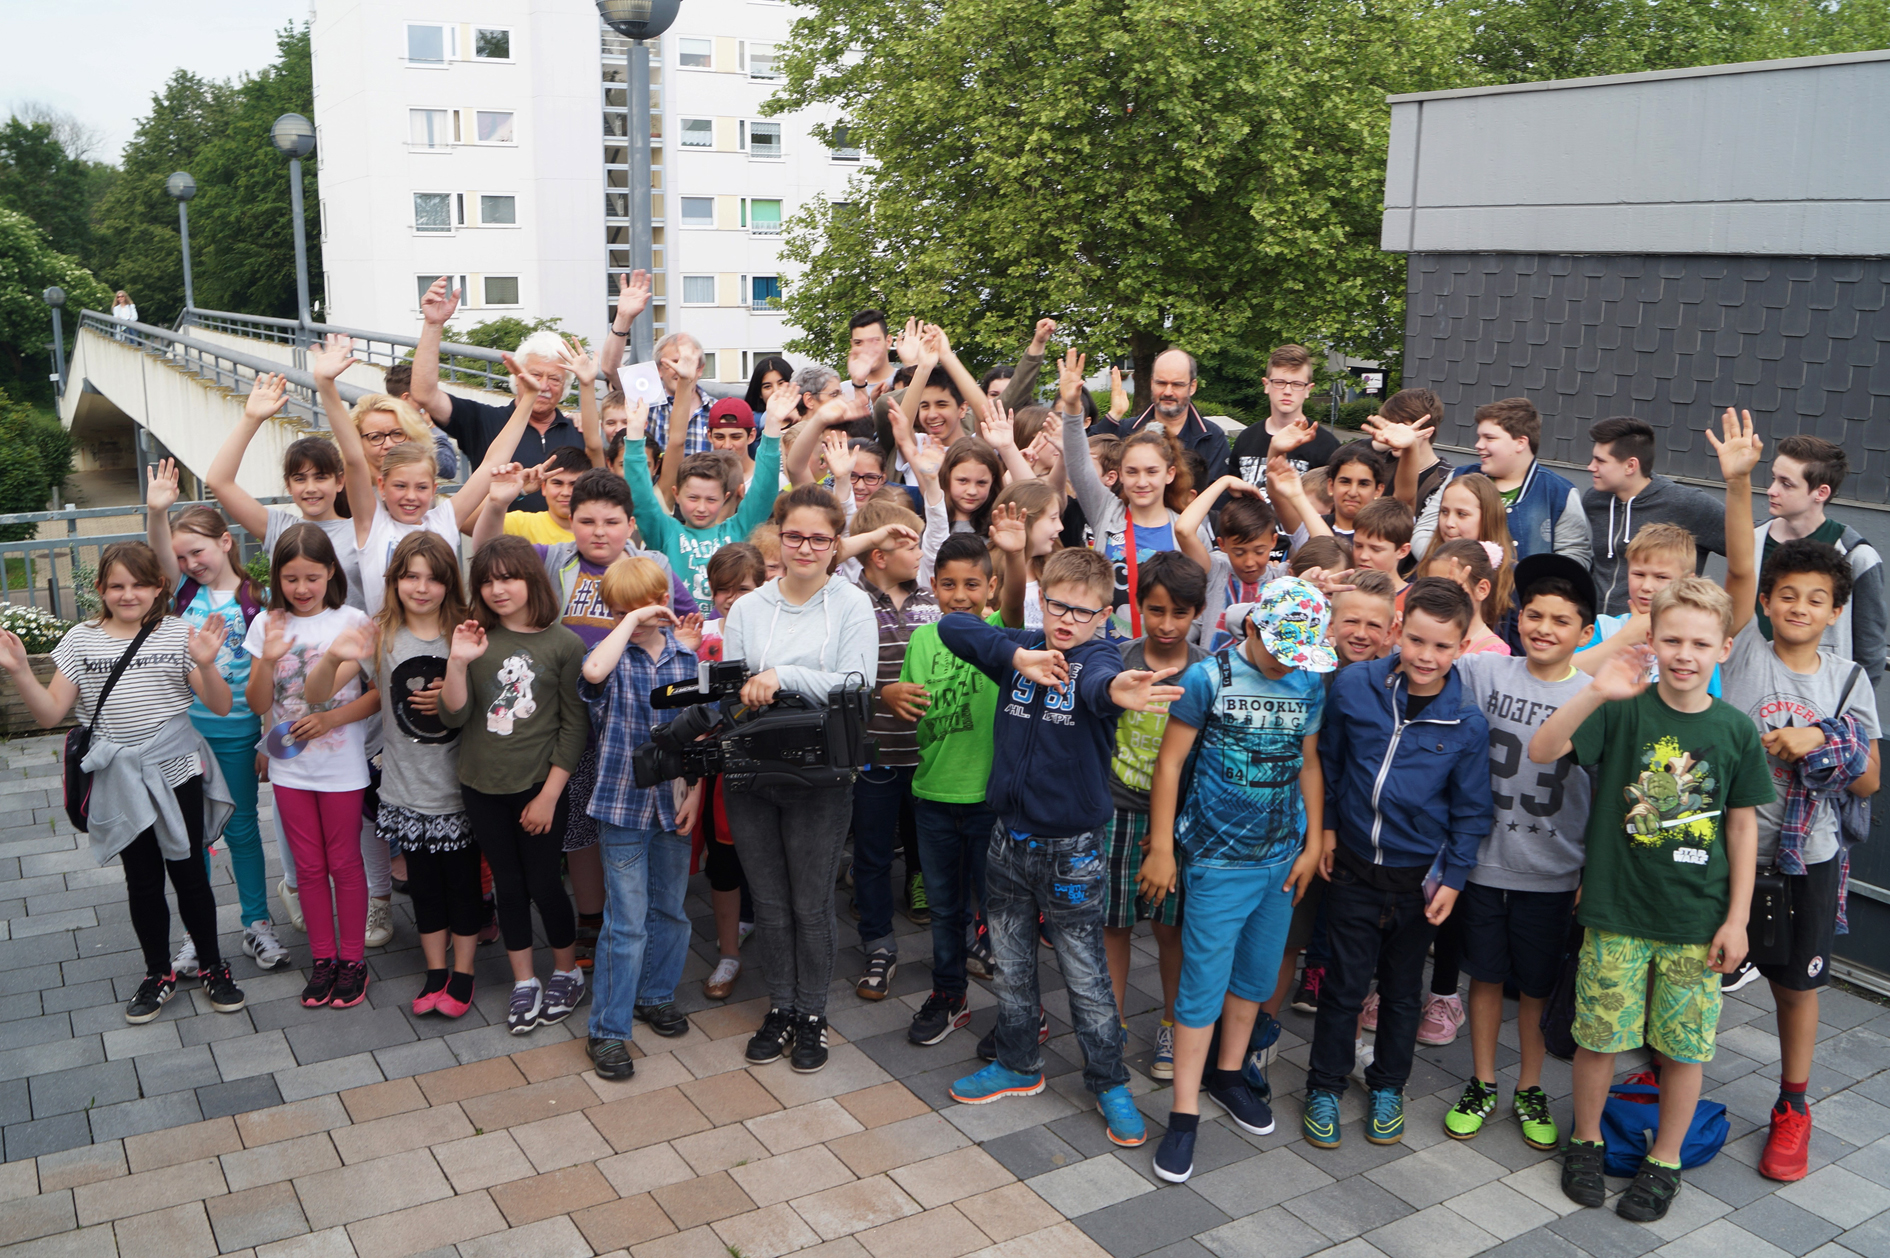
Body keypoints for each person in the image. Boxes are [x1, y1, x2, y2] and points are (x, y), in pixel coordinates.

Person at [1530, 572, 1771, 1223]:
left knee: (1684, 1046)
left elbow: (1743, 825)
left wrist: (1738, 919)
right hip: (1616, 913)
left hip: (1697, 922)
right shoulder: (1623, 705)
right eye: (1673, 639)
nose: (1685, 653)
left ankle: (1664, 1160)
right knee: (1598, 1039)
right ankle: (1586, 1140)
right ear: (1653, 640)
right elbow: (1544, 747)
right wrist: (1594, 691)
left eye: (1701, 641)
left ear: (1725, 648)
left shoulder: (1734, 731)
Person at [936, 547, 1185, 1148]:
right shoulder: (1022, 648)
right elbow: (952, 625)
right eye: (1057, 604)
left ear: (1106, 617)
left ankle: (1109, 1081)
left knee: (1086, 976)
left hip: (1071, 851)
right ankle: (1019, 1064)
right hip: (1006, 841)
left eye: (1083, 610)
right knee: (1013, 965)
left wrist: (1114, 690)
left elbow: (1100, 684)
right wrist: (1018, 655)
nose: (1067, 619)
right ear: (1040, 599)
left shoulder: (1099, 659)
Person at [1713, 411, 1880, 1182]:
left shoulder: (1847, 682)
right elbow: (1743, 564)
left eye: (1816, 600)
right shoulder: (1745, 643)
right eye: (1787, 596)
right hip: (1723, 843)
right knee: (1695, 962)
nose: (1798, 608)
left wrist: (1824, 741)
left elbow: (1871, 776)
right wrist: (1741, 480)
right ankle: (1662, 1065)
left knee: (1796, 984)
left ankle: (1793, 1102)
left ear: (1835, 612)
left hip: (1807, 856)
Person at [0, 542, 243, 1023]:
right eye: (117, 586)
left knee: (191, 872)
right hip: (119, 777)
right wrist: (23, 671)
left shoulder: (179, 635)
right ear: (99, 590)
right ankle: (158, 974)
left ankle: (213, 965)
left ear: (159, 588)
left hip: (177, 770)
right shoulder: (80, 642)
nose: (128, 595)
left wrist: (209, 663)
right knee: (143, 880)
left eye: (139, 584)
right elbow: (50, 712)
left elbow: (217, 705)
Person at [1140, 576, 1333, 1181]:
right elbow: (1170, 762)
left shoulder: (1308, 680)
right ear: (1252, 628)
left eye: (1297, 655)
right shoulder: (1208, 678)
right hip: (1218, 861)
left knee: (1253, 978)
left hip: (1280, 859)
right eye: (1279, 650)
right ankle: (1184, 1111)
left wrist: (1308, 844)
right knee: (1201, 983)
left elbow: (1309, 763)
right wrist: (1163, 847)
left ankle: (1229, 1073)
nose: (1287, 665)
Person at [1305, 577, 1494, 1150]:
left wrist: (1455, 879)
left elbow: (1471, 809)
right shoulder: (1356, 686)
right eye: (1416, 641)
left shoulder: (1466, 720)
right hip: (1355, 866)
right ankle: (1325, 1084)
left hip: (1420, 881)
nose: (1426, 657)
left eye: (1441, 646)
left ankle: (1388, 1085)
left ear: (1462, 646)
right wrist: (1331, 827)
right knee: (1342, 983)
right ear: (1397, 631)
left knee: (1402, 990)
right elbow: (1331, 763)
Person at [1442, 554, 1597, 1149]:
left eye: (1561, 621)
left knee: (1536, 986)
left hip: (1554, 870)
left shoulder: (1595, 696)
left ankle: (1529, 1086)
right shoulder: (1487, 674)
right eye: (1534, 615)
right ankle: (1483, 1080)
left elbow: (1607, 793)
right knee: (1484, 977)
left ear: (1584, 634)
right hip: (1484, 860)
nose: (1543, 628)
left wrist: (1591, 873)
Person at [728, 486, 879, 1073]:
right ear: (778, 537)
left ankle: (813, 1014)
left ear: (836, 541)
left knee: (810, 903)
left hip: (821, 773)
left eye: (819, 538)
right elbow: (734, 689)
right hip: (753, 768)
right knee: (769, 903)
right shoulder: (748, 608)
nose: (805, 548)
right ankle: (781, 1007)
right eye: (794, 536)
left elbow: (856, 683)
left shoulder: (850, 604)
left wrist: (783, 674)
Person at [313, 532, 481, 1018]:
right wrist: (331, 659)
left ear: (450, 583)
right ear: (395, 581)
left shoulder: (465, 632)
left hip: (460, 788)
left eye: (433, 577)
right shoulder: (380, 632)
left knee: (464, 886)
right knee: (425, 887)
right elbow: (323, 691)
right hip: (405, 788)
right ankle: (434, 972)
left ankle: (464, 973)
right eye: (411, 576)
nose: (422, 587)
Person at [441, 536, 590, 1035]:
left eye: (507, 577)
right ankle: (524, 980)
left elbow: (574, 727)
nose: (497, 589)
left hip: (539, 788)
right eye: (486, 580)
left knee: (546, 882)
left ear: (530, 578)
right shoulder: (475, 638)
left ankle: (566, 971)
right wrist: (457, 661)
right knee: (508, 885)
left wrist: (549, 795)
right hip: (481, 786)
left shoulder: (564, 643)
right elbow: (454, 714)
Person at [143, 461, 284, 974]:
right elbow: (160, 552)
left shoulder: (257, 602)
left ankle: (257, 924)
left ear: (226, 542)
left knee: (243, 829)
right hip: (183, 736)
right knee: (190, 835)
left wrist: (268, 739)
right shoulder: (181, 596)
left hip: (238, 734)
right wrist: (158, 511)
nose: (190, 562)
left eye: (197, 551)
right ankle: (195, 934)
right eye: (181, 556)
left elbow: (274, 678)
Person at [244, 525, 381, 1010]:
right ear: (277, 578)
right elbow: (260, 700)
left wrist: (331, 719)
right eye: (290, 578)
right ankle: (323, 960)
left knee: (344, 862)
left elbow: (373, 695)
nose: (301, 588)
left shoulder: (353, 620)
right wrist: (267, 659)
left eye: (312, 577)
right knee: (307, 865)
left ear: (330, 574)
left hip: (343, 766)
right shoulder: (267, 625)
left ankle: (353, 960)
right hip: (289, 771)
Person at [577, 556, 702, 1081]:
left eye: (656, 601)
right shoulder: (610, 657)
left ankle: (655, 994)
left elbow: (697, 734)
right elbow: (592, 672)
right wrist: (628, 621)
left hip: (671, 802)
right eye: (631, 607)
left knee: (670, 908)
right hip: (622, 804)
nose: (651, 613)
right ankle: (607, 1030)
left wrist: (694, 791)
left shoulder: (686, 660)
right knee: (625, 921)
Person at [316, 332, 532, 616]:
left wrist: (528, 399)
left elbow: (493, 460)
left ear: (432, 487)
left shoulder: (443, 519)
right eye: (400, 486)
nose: (410, 496)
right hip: (390, 653)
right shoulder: (372, 524)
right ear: (382, 486)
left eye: (420, 487)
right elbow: (354, 459)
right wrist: (325, 384)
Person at [1103, 551, 1208, 1081]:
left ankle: (1171, 1022)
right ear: (1138, 607)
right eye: (1156, 610)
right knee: (1113, 923)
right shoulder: (1117, 660)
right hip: (1117, 813)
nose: (1167, 624)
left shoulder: (1209, 673)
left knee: (1172, 932)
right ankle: (1112, 1023)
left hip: (1179, 823)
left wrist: (1168, 833)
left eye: (1180, 613)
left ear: (1198, 614)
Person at [899, 533, 1004, 1044]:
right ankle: (949, 995)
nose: (960, 595)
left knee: (1002, 910)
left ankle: (1018, 1006)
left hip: (989, 800)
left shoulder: (1003, 633)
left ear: (991, 587)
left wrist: (1012, 551)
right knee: (943, 908)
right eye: (947, 584)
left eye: (972, 584)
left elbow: (1022, 595)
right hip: (933, 794)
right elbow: (902, 699)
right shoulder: (921, 640)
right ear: (932, 586)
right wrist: (888, 694)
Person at [845, 497, 939, 1000]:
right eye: (910, 543)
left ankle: (950, 943)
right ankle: (878, 946)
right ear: (879, 552)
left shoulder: (931, 600)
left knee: (930, 851)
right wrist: (881, 692)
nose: (921, 553)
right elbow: (828, 555)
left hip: (929, 758)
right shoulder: (847, 599)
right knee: (873, 855)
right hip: (874, 757)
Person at [1057, 350, 1207, 636]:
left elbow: (1201, 599)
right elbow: (1077, 462)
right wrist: (1073, 407)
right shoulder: (1107, 511)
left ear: (1169, 474)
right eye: (1132, 471)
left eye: (1152, 472)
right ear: (1121, 475)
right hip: (1108, 656)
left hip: (1165, 659)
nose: (1141, 482)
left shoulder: (1188, 529)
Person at [406, 280, 591, 512]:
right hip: (498, 545)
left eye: (554, 379)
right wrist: (433, 325)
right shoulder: (482, 420)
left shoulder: (581, 430)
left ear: (565, 387)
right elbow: (424, 393)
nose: (543, 385)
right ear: (516, 376)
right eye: (534, 375)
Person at [625, 393, 788, 602]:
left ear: (725, 497)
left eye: (711, 500)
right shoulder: (666, 532)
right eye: (693, 498)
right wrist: (635, 433)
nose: (701, 508)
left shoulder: (738, 529)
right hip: (680, 630)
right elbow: (641, 497)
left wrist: (772, 428)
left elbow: (763, 492)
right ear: (676, 494)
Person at [1753, 434, 1887, 682]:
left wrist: (1851, 708)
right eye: (1774, 479)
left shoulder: (1857, 556)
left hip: (1818, 697)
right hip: (1748, 685)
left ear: (1820, 492)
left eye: (1786, 483)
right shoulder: (1750, 540)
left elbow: (1870, 651)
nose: (1772, 490)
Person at [697, 544, 766, 998]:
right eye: (723, 589)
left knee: (769, 864)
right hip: (717, 773)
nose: (732, 598)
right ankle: (728, 954)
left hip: (766, 768)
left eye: (743, 588)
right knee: (721, 866)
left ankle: (782, 947)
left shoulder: (774, 632)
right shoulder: (700, 638)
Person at [1411, 398, 1590, 566]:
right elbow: (1424, 532)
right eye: (1479, 437)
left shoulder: (1559, 492)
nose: (1478, 445)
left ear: (1520, 443)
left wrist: (1540, 584)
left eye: (1489, 438)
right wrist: (1449, 566)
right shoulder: (1458, 477)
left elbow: (1575, 555)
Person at [1584, 417, 1727, 616]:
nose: (1590, 467)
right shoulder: (1594, 501)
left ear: (1630, 466)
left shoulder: (1687, 504)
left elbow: (1748, 545)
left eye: (1600, 461)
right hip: (1599, 630)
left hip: (1659, 634)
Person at [1174, 481, 1287, 651]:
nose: (1249, 562)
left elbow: (1326, 546)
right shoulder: (1216, 570)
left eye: (1259, 551)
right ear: (1222, 544)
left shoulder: (1282, 578)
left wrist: (1296, 495)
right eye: (1239, 553)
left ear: (1273, 541)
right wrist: (1224, 481)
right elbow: (1183, 529)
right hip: (1214, 673)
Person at [1229, 345, 1341, 515]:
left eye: (1296, 384)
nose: (1287, 391)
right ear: (1266, 385)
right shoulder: (1246, 439)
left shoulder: (1326, 444)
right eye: (1280, 382)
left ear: (1308, 390)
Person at [1115, 347, 1230, 486]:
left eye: (1177, 384)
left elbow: (1218, 500)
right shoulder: (1125, 431)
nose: (1168, 392)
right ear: (1152, 383)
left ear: (1192, 387)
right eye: (1161, 383)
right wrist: (1113, 416)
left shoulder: (1212, 438)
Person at [1368, 389, 1454, 526]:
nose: (1393, 434)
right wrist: (1374, 444)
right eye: (1390, 426)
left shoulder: (1445, 481)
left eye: (1402, 426)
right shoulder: (1380, 464)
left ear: (1427, 431)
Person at [502, 447, 596, 545]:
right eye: (557, 483)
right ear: (544, 487)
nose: (565, 492)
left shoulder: (600, 534)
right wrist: (515, 489)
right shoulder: (520, 524)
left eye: (574, 484)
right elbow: (485, 522)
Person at [1349, 498, 1414, 592]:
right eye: (1358, 546)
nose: (1363, 556)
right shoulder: (1341, 590)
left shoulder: (1413, 600)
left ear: (1402, 551)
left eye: (1376, 549)